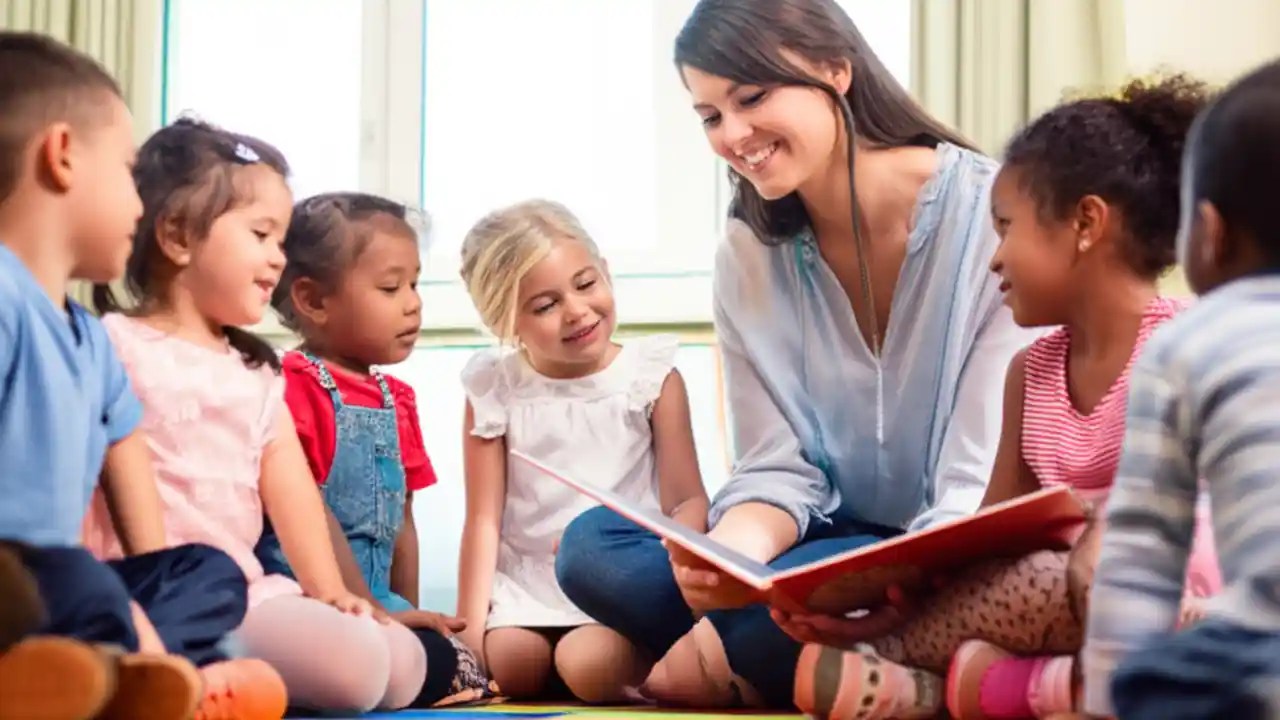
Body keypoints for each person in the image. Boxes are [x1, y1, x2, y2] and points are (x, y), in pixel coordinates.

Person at [553, 0, 1034, 707]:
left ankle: (740, 643)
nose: (733, 135)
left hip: (941, 554)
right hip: (819, 546)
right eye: (710, 115)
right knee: (593, 549)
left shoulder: (990, 214)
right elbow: (777, 467)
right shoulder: (748, 252)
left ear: (837, 69)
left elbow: (975, 479)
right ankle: (752, 639)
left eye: (751, 97)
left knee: (826, 582)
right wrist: (734, 560)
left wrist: (864, 578)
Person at [785, 75, 1218, 720]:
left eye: (1006, 227)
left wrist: (1110, 535)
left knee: (1081, 580)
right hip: (1066, 594)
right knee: (1023, 576)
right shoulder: (1031, 370)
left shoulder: (1189, 345)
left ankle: (929, 670)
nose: (993, 259)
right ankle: (1023, 687)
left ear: (1086, 224)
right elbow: (995, 531)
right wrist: (899, 584)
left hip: (1182, 586)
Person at [83, 118, 427, 714]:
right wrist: (157, 583)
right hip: (152, 586)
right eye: (262, 235)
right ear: (178, 237)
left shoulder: (257, 372)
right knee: (361, 668)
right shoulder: (115, 343)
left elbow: (292, 491)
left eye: (282, 241)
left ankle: (219, 676)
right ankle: (179, 667)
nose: (277, 260)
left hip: (246, 590)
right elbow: (120, 459)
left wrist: (331, 593)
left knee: (403, 661)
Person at [0, 32, 283, 720]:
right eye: (127, 172)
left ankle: (95, 670)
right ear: (62, 156)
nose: (138, 201)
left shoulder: (88, 342)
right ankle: (103, 669)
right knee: (72, 582)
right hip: (18, 575)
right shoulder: (5, 297)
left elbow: (144, 544)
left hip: (67, 587)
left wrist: (141, 606)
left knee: (209, 573)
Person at [1081, 58, 1280, 720]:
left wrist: (1109, 700)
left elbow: (1139, 561)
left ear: (1211, 234)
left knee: (1160, 678)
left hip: (1264, 647)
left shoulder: (1188, 343)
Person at [456, 199, 710, 702]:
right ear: (504, 322)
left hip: (610, 581)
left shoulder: (649, 376)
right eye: (545, 306)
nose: (577, 311)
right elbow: (482, 519)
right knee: (513, 664)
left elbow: (688, 500)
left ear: (606, 273)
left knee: (590, 666)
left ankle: (648, 660)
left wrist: (672, 568)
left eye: (586, 284)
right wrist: (467, 632)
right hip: (528, 585)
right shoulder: (494, 387)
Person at [257, 191, 499, 707]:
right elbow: (307, 515)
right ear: (314, 300)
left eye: (414, 283)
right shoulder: (292, 385)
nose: (413, 302)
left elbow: (402, 523)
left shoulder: (398, 399)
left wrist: (405, 608)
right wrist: (369, 608)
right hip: (306, 595)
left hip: (377, 603)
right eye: (391, 287)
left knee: (457, 661)